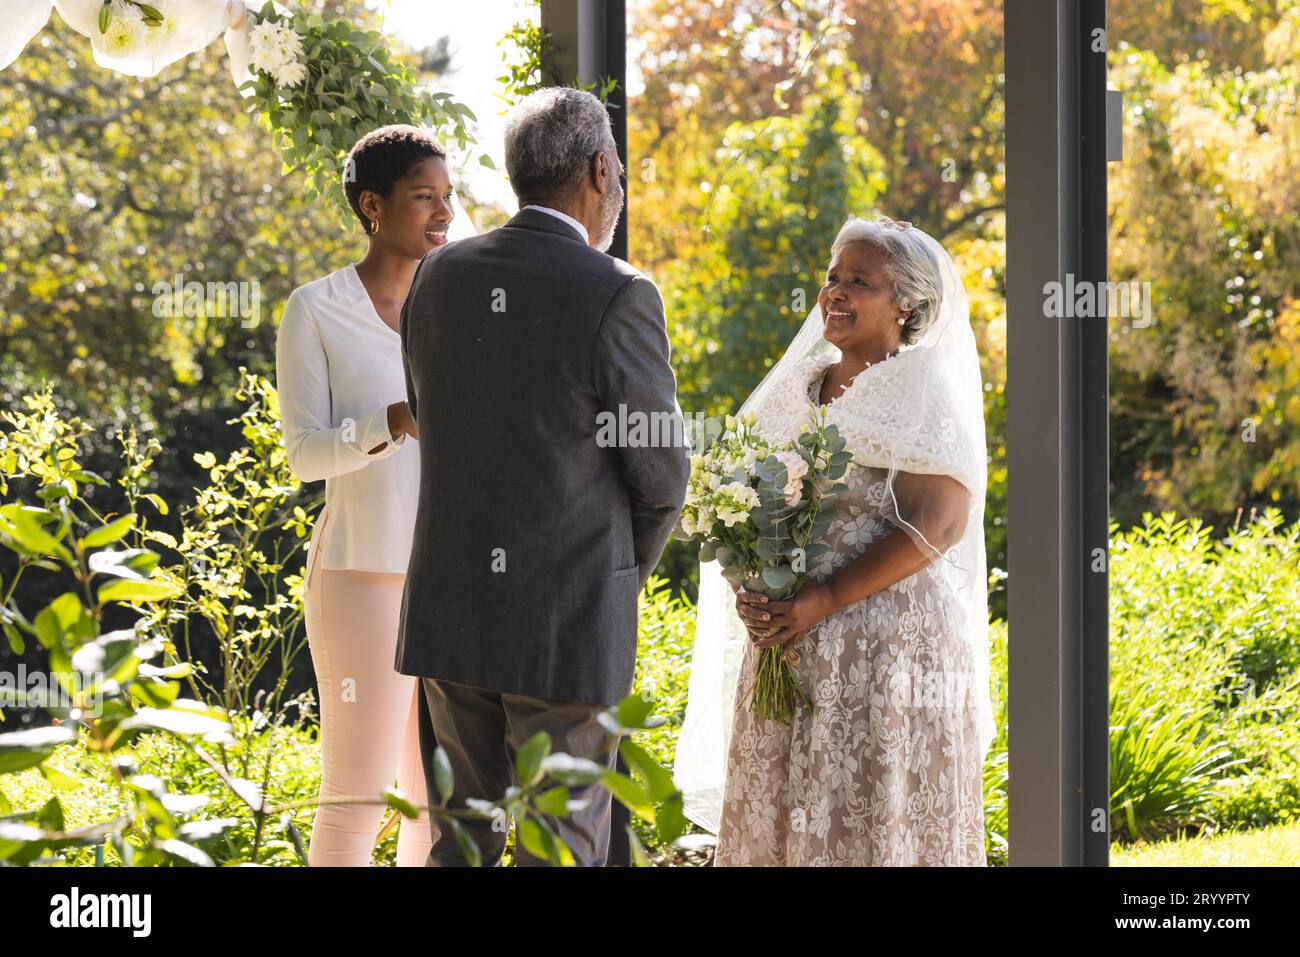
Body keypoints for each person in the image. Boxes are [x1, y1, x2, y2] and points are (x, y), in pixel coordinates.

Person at [395, 87, 691, 866]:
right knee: (558, 847)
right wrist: (619, 573)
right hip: (568, 622)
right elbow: (662, 471)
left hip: (452, 610)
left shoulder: (437, 277)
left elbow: (429, 415)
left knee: (460, 838)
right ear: (601, 170)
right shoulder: (619, 292)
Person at [675, 216, 995, 865]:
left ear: (906, 304)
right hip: (786, 651)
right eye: (832, 277)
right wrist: (755, 591)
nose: (836, 293)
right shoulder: (795, 388)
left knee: (871, 825)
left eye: (860, 282)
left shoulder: (921, 387)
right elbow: (740, 505)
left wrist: (824, 598)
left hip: (889, 655)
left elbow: (938, 523)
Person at [274, 124, 474, 866]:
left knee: (435, 802)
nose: (443, 213)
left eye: (447, 198)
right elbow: (302, 454)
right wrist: (390, 422)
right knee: (357, 798)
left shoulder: (458, 305)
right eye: (424, 197)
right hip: (358, 575)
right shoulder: (314, 310)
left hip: (446, 577)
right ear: (371, 205)